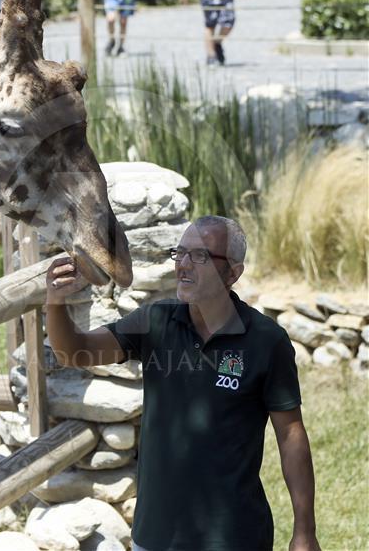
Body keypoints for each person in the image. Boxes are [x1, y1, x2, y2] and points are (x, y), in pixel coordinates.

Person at [45, 215, 322, 551]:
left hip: (234, 538)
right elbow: (75, 352)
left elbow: (291, 434)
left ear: (232, 273)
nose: (183, 266)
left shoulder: (266, 341)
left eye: (200, 256)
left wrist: (304, 531)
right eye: (180, 253)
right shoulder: (154, 322)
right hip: (156, 536)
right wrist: (55, 302)